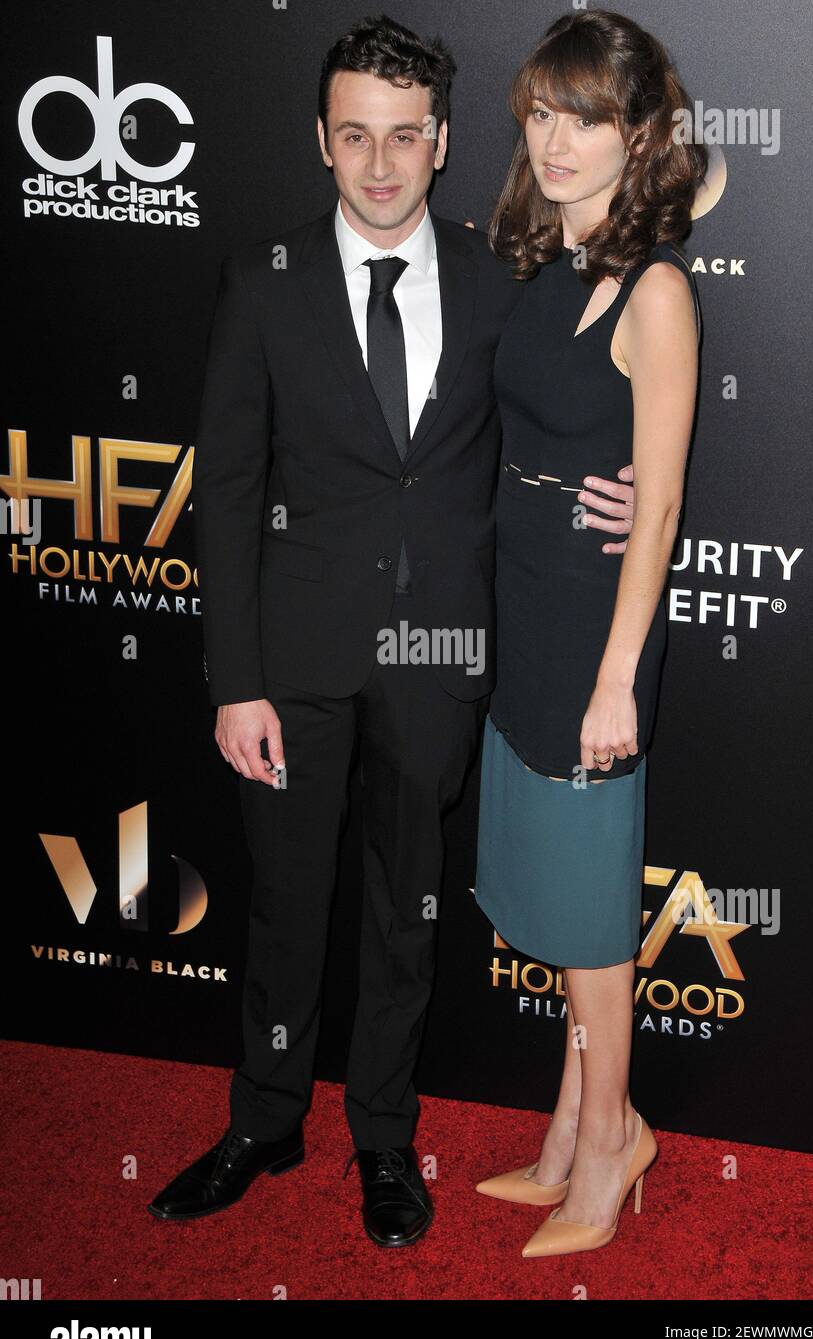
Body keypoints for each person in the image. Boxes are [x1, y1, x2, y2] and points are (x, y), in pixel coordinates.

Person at [147, 13, 635, 1248]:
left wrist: (620, 491)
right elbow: (226, 489)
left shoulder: (498, 279)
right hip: (293, 667)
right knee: (283, 903)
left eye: (404, 137)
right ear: (321, 139)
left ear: (442, 142)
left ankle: (380, 1135)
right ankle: (263, 1119)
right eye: (355, 135)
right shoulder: (260, 282)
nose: (378, 164)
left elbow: (568, 412)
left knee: (403, 911)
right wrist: (234, 680)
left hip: (439, 666)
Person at [474, 8, 704, 1257]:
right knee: (561, 917)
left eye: (588, 120)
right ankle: (568, 1122)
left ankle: (614, 1141)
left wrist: (617, 678)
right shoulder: (547, 267)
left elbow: (657, 501)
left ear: (639, 136)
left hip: (591, 645)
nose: (556, 142)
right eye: (543, 115)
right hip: (524, 609)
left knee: (596, 937)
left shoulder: (659, 289)